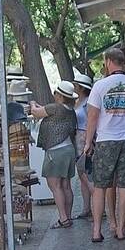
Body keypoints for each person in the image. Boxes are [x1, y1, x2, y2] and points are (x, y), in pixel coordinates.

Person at [83, 47, 125, 243]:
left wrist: (88, 142)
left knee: (101, 186)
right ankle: (120, 229)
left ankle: (96, 231)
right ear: (123, 63)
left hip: (105, 141)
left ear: (109, 62)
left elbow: (92, 117)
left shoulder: (100, 86)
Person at [30, 79, 78, 228]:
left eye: (56, 92)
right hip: (69, 149)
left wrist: (32, 103)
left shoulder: (56, 108)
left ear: (60, 96)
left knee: (55, 186)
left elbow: (36, 112)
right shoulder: (69, 110)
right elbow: (44, 109)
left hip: (55, 152)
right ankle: (67, 216)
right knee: (66, 185)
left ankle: (63, 218)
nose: (54, 94)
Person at [71, 72, 94, 218]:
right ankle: (86, 208)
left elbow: (91, 122)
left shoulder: (87, 103)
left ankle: (98, 204)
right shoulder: (78, 102)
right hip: (78, 137)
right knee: (82, 174)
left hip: (84, 137)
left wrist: (89, 141)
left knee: (85, 173)